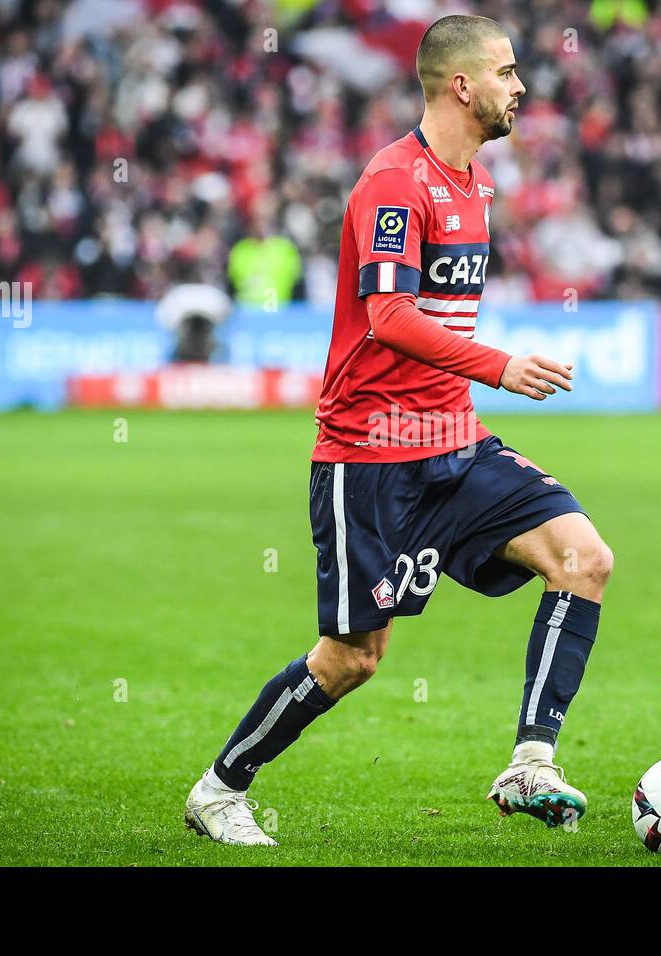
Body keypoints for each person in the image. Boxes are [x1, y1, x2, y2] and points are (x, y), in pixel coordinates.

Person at [184, 14, 613, 846]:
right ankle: (220, 788)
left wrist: (474, 387)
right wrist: (496, 364)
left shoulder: (477, 184)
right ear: (463, 85)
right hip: (370, 455)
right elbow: (386, 315)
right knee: (352, 659)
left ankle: (531, 761)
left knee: (583, 558)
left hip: (454, 442)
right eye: (507, 72)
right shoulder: (393, 182)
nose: (521, 87)